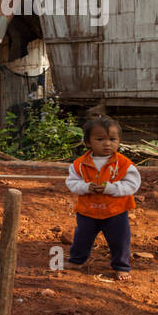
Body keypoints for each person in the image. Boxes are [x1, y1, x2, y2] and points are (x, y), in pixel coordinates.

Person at [65, 114, 139, 282]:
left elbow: (133, 184)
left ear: (119, 141)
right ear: (88, 142)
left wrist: (112, 188)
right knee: (81, 238)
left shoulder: (124, 164)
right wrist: (85, 187)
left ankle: (121, 267)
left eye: (112, 139)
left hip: (116, 212)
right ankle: (77, 261)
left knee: (120, 240)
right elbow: (71, 182)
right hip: (87, 211)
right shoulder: (79, 164)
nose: (107, 143)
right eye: (100, 139)